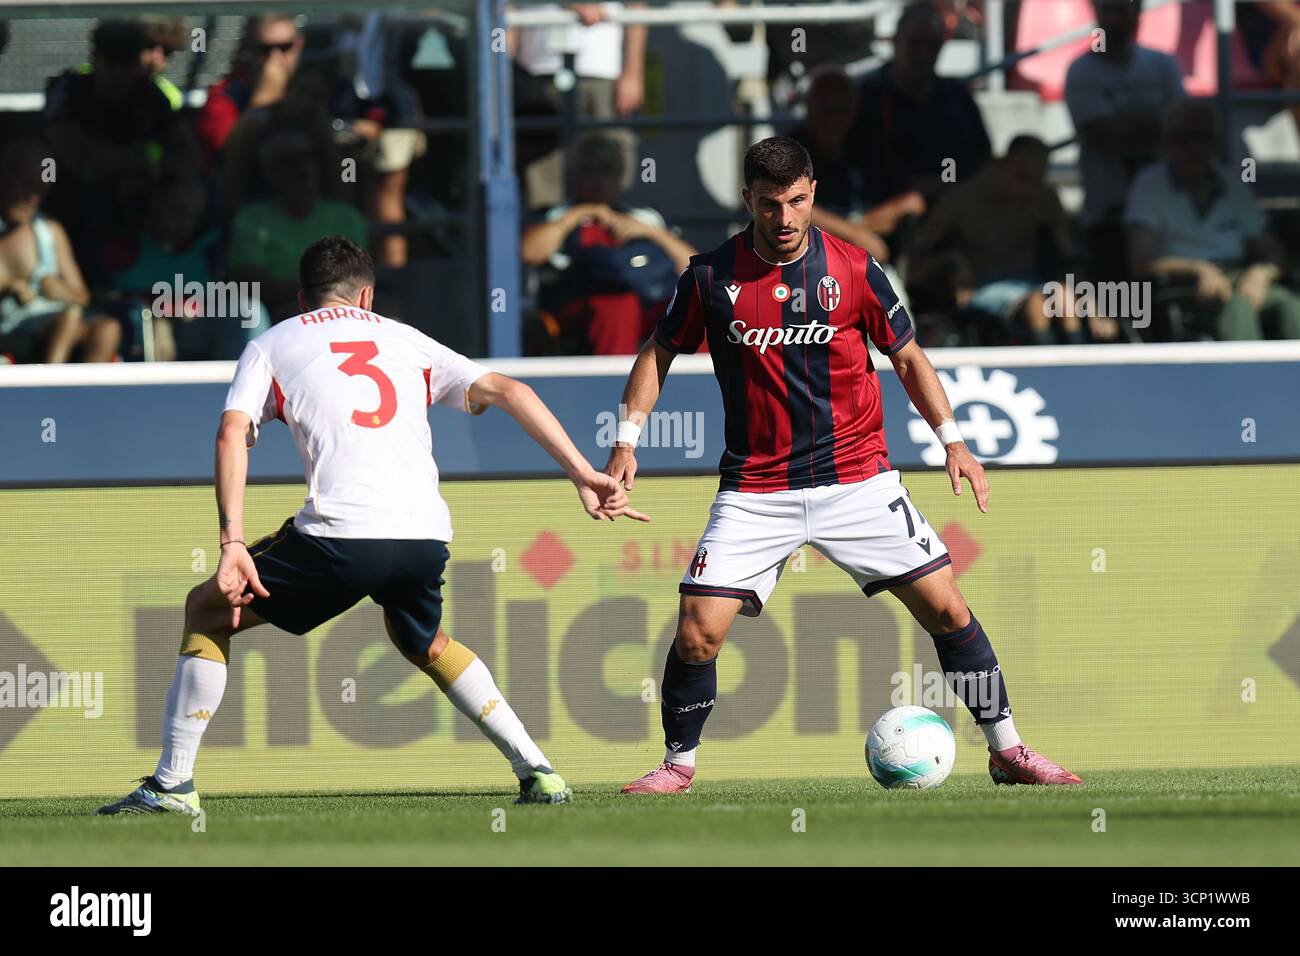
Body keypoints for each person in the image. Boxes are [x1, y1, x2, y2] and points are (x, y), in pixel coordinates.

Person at [96, 235, 648, 816]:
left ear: (301, 297)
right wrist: (583, 473)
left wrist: (232, 541)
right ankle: (538, 770)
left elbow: (233, 431)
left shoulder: (272, 343)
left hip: (340, 536)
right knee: (424, 641)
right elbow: (512, 390)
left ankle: (173, 785)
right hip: (423, 537)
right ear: (367, 294)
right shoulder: (405, 338)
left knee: (209, 609)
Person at [606, 137, 1082, 794]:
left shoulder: (855, 270)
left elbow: (908, 357)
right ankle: (678, 765)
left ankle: (1007, 749)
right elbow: (659, 353)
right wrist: (628, 437)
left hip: (858, 478)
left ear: (813, 196)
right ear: (748, 200)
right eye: (770, 204)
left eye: (797, 201)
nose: (785, 217)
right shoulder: (711, 277)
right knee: (696, 634)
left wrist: (952, 439)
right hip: (756, 487)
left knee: (948, 611)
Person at [907, 135, 1119, 344]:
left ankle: (1077, 367)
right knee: (1038, 304)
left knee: (1061, 294)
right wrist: (952, 261)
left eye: (1037, 180)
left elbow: (1070, 261)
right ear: (1000, 164)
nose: (1027, 189)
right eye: (1021, 176)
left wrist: (1094, 310)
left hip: (1033, 282)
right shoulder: (960, 200)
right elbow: (913, 266)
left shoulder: (1043, 200)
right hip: (983, 288)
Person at [1125, 101, 1300, 341]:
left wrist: (1261, 273)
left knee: (1292, 307)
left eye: (1203, 138)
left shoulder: (1233, 183)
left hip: (1238, 276)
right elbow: (1141, 262)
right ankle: (1247, 379)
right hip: (1184, 287)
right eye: (1183, 138)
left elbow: (1272, 250)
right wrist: (1198, 269)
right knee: (1240, 308)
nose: (1194, 148)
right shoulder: (1148, 185)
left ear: (1216, 143)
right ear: (1167, 143)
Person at [522, 133, 696, 355]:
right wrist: (578, 215)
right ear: (573, 175)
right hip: (580, 305)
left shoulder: (644, 217)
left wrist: (650, 232)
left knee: (695, 305)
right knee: (618, 306)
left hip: (647, 300)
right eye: (586, 170)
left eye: (606, 169)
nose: (596, 179)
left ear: (619, 175)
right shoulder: (556, 215)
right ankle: (615, 387)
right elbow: (529, 252)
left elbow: (692, 266)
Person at [1064, 0, 1185, 284]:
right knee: (1117, 307)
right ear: (1095, 14)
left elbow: (1181, 128)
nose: (1116, 20)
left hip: (1164, 214)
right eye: (1109, 10)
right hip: (1107, 213)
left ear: (1138, 14)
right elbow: (1100, 136)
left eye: (1124, 10)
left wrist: (1128, 129)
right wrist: (1154, 129)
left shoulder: (1163, 64)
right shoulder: (1081, 71)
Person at [847, 2, 992, 215]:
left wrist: (942, 185)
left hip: (954, 207)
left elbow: (981, 159)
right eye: (914, 43)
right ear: (896, 42)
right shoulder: (865, 97)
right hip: (885, 212)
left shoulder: (957, 96)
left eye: (932, 45)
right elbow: (856, 168)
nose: (923, 53)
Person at [0, 140, 121, 364]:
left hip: (58, 323)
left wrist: (60, 291)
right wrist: (10, 286)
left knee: (107, 328)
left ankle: (86, 395)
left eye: (39, 191)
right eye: (25, 187)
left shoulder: (50, 231)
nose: (32, 199)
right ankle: (50, 390)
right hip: (11, 329)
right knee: (70, 318)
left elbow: (82, 295)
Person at [196, 13, 305, 159]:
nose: (275, 58)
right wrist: (262, 102)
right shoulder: (224, 96)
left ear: (298, 44)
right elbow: (228, 158)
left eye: (284, 47)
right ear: (252, 47)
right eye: (265, 49)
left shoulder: (309, 87)